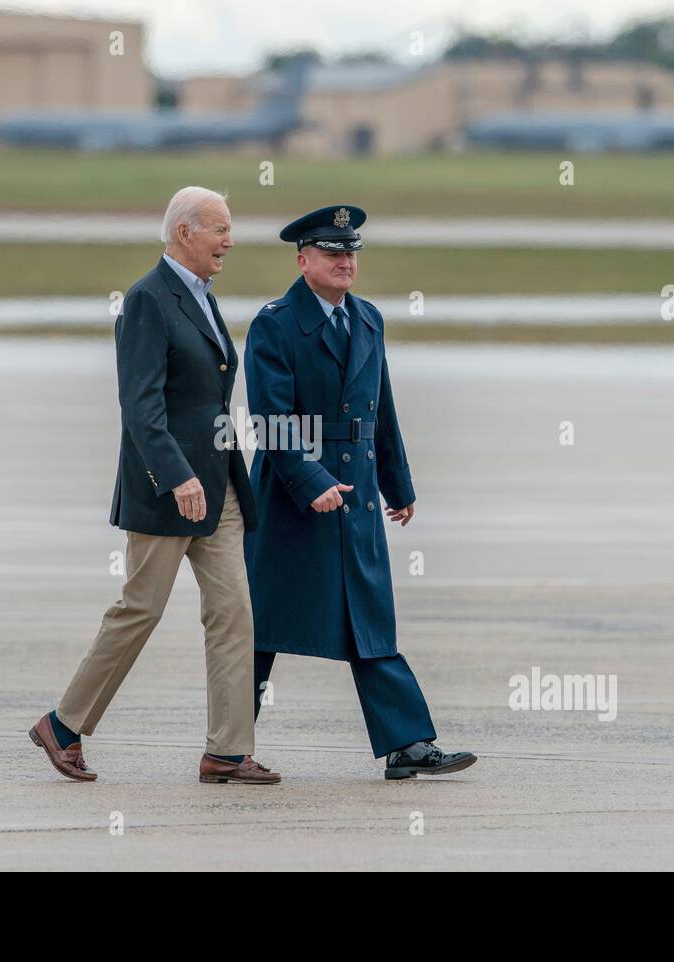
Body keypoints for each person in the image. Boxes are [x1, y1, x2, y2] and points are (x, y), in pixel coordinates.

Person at [29, 186, 279, 785]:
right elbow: (140, 408)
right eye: (219, 229)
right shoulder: (147, 300)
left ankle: (227, 749)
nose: (230, 240)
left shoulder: (203, 298)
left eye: (230, 228)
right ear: (183, 233)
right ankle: (63, 727)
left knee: (234, 614)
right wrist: (176, 475)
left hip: (217, 490)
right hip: (167, 491)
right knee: (140, 609)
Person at [243, 204, 476, 779]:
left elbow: (383, 411)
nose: (345, 261)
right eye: (331, 252)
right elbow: (270, 419)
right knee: (259, 629)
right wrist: (312, 480)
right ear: (303, 260)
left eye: (351, 252)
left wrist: (398, 484)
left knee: (370, 620)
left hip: (361, 500)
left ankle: (408, 745)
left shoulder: (368, 318)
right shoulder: (274, 324)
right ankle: (228, 746)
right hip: (292, 503)